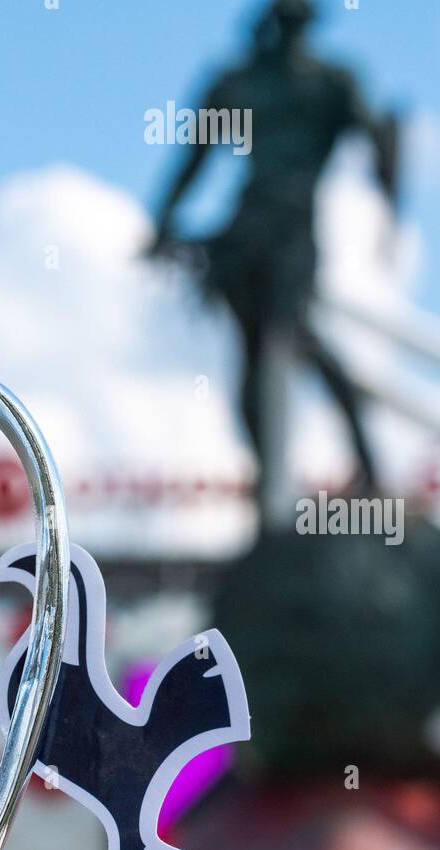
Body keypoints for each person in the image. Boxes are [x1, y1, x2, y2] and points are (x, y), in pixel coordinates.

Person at [149, 0, 397, 498]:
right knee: (256, 359)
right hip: (245, 233)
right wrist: (162, 224)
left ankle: (365, 466)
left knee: (295, 338)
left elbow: (378, 143)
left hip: (291, 232)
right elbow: (193, 158)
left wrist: (390, 177)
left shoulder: (330, 83)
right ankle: (271, 488)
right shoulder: (240, 81)